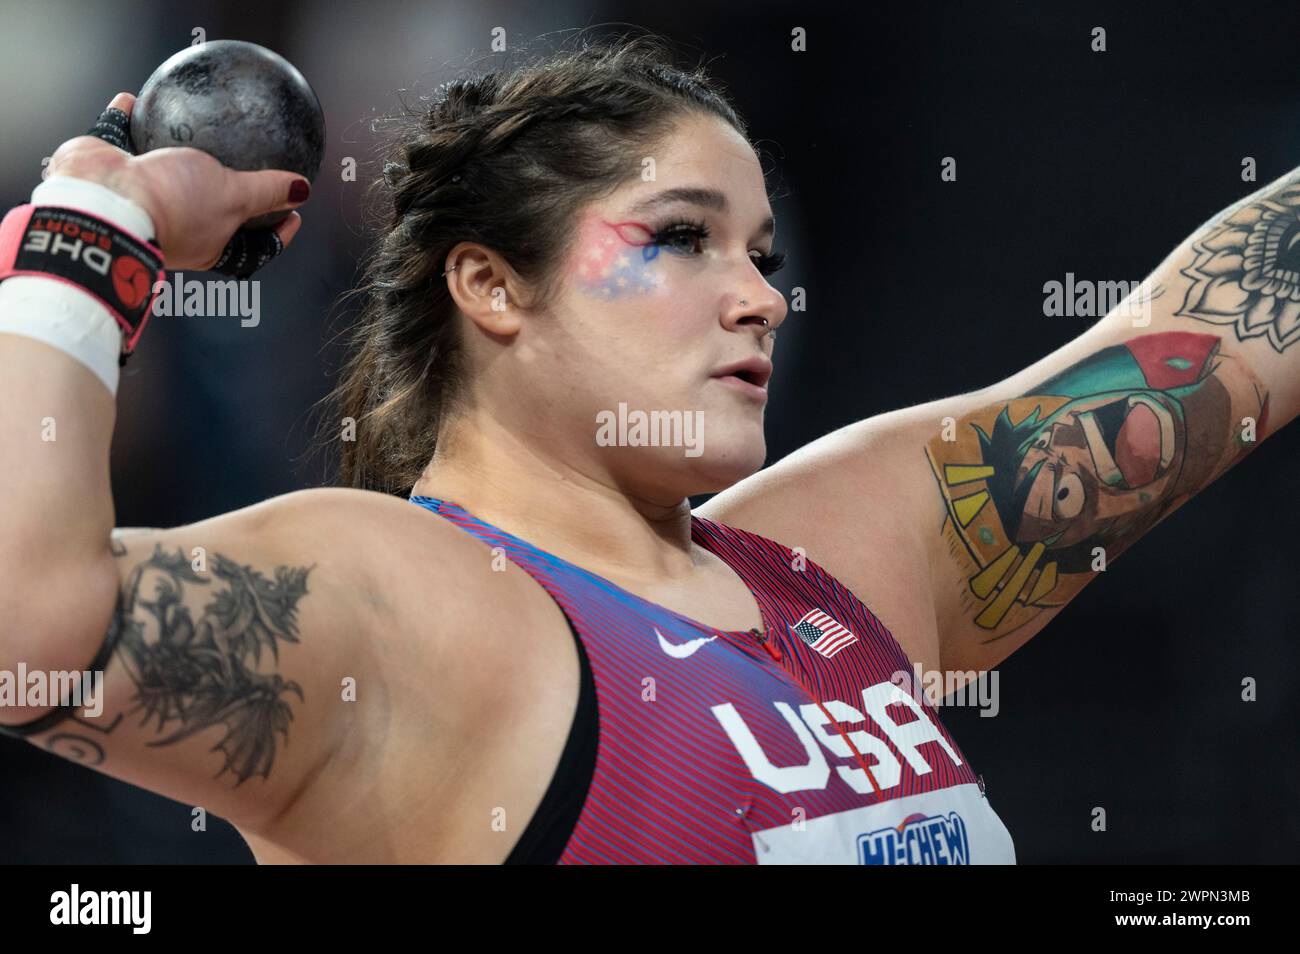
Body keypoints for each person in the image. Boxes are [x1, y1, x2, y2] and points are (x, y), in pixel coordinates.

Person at [0, 35, 1294, 865]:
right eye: (682, 238)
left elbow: (1226, 338)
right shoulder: (412, 605)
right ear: (493, 287)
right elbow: (28, 638)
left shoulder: (824, 570)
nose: (760, 296)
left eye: (763, 254)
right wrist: (90, 225)